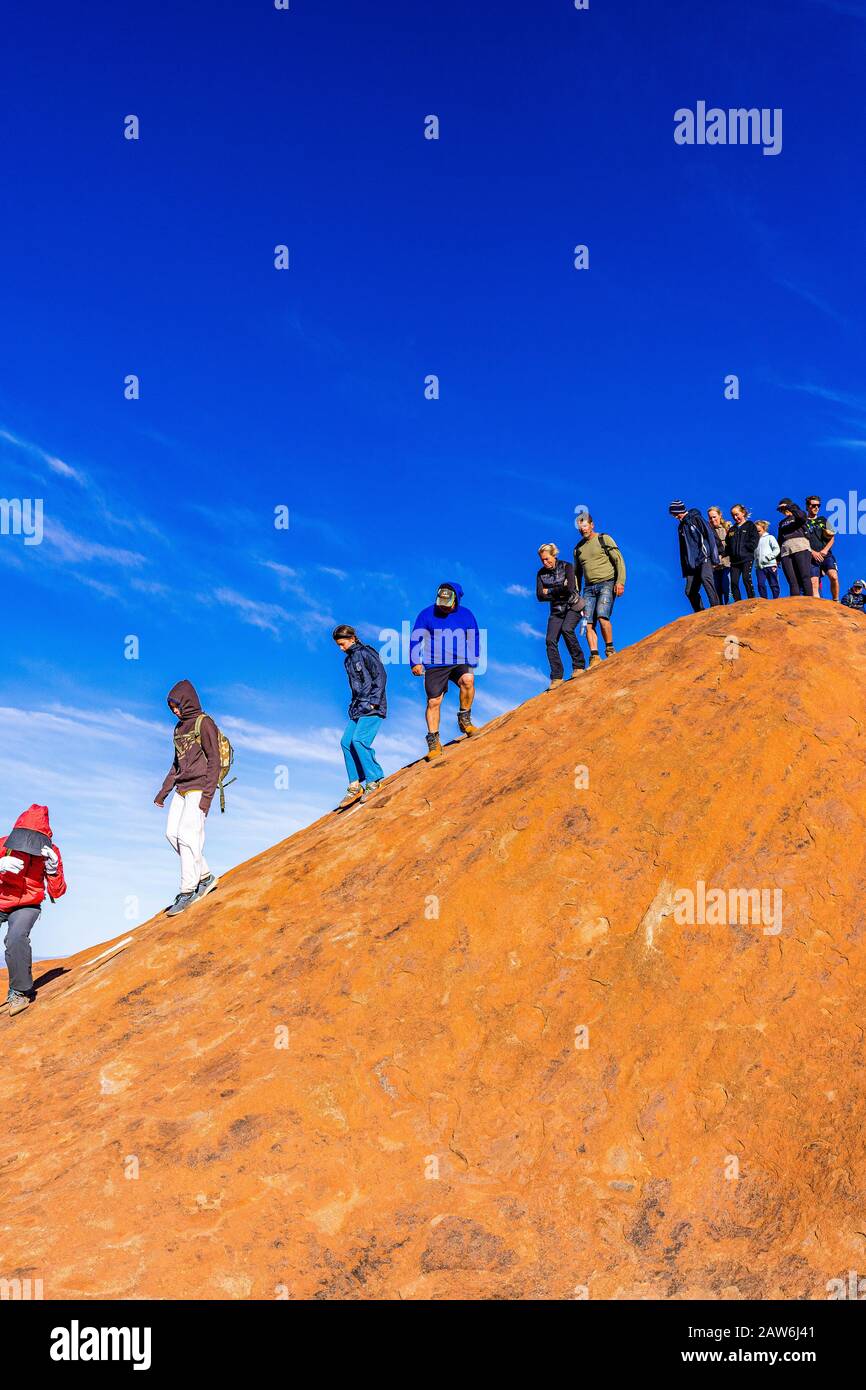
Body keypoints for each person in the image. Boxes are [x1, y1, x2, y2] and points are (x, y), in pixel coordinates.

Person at [154, 680, 221, 917]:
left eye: (176, 705)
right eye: (171, 706)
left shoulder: (205, 723)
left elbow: (215, 761)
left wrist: (207, 798)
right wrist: (164, 791)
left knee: (188, 834)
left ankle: (187, 890)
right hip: (181, 789)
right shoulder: (178, 729)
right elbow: (176, 764)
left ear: (187, 701)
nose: (174, 710)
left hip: (199, 787)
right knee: (172, 834)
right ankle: (204, 876)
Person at [0, 805, 67, 1018]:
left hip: (27, 904)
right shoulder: (4, 845)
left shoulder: (51, 852)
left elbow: (58, 891)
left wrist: (53, 870)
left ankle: (19, 992)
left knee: (16, 937)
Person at [410, 581, 482, 762]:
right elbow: (415, 638)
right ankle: (434, 741)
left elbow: (474, 636)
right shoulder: (426, 614)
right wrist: (414, 662)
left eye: (447, 605)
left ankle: (464, 718)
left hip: (459, 659)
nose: (444, 609)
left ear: (456, 601)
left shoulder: (466, 615)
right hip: (434, 663)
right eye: (441, 604)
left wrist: (474, 656)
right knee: (434, 701)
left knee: (468, 680)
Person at [332, 624, 387, 808]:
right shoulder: (348, 660)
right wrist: (353, 706)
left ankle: (374, 780)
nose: (341, 648)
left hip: (372, 706)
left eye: (342, 643)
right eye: (338, 645)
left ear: (352, 638)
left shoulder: (366, 652)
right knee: (346, 742)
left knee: (359, 740)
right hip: (358, 708)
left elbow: (380, 675)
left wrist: (375, 701)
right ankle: (355, 786)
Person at [573, 514, 626, 667]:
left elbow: (618, 560)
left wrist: (620, 582)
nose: (583, 530)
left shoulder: (604, 538)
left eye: (585, 526)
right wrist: (576, 593)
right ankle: (594, 656)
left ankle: (609, 648)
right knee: (588, 623)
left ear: (592, 525)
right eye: (580, 527)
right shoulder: (578, 549)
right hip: (588, 589)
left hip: (607, 583)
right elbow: (577, 573)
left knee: (603, 617)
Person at [536, 543, 586, 689]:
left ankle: (579, 666)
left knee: (567, 629)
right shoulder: (541, 574)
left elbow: (570, 589)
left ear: (554, 555)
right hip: (557, 611)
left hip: (573, 606)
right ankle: (557, 677)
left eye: (547, 559)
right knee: (550, 640)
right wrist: (560, 588)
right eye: (542, 560)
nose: (545, 562)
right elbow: (539, 596)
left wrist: (549, 591)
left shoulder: (567, 566)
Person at [669, 501, 720, 611]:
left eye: (674, 513)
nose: (674, 516)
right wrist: (685, 568)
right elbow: (683, 550)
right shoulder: (681, 527)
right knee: (689, 591)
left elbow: (709, 534)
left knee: (706, 578)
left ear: (678, 511)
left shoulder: (696, 519)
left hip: (704, 556)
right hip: (692, 564)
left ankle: (716, 608)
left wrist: (715, 557)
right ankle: (700, 612)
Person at [804, 494, 840, 601]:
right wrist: (813, 552)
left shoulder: (823, 520)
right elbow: (801, 541)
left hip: (826, 554)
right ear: (807, 506)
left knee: (834, 577)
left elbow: (832, 537)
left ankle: (836, 601)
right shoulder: (803, 522)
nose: (816, 508)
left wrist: (825, 550)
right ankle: (818, 607)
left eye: (818, 505)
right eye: (813, 505)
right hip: (811, 557)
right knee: (814, 583)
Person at [776, 499, 813, 597]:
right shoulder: (781, 523)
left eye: (783, 508)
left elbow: (802, 517)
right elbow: (780, 539)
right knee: (792, 580)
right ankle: (795, 604)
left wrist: (790, 506)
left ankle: (810, 603)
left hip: (800, 546)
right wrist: (777, 558)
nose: (783, 511)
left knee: (804, 576)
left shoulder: (798, 516)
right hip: (785, 550)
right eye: (781, 510)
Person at [726, 504, 760, 600]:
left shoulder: (750, 525)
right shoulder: (731, 530)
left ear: (743, 513)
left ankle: (751, 600)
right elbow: (728, 545)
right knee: (734, 582)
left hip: (746, 558)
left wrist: (748, 548)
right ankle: (738, 603)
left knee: (746, 579)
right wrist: (725, 554)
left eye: (737, 514)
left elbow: (754, 539)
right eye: (733, 515)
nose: (735, 517)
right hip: (734, 562)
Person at [707, 507, 731, 604]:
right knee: (717, 592)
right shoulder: (708, 531)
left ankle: (732, 612)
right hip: (714, 567)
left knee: (728, 590)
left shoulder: (727, 528)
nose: (713, 520)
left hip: (727, 564)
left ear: (720, 515)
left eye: (714, 517)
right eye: (710, 518)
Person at [754, 521, 781, 599]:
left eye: (759, 531)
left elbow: (777, 549)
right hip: (760, 567)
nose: (757, 533)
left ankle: (776, 599)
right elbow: (755, 553)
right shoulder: (755, 541)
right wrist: (756, 563)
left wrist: (768, 558)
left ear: (764, 529)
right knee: (760, 584)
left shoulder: (770, 537)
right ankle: (763, 600)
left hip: (770, 565)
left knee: (773, 583)